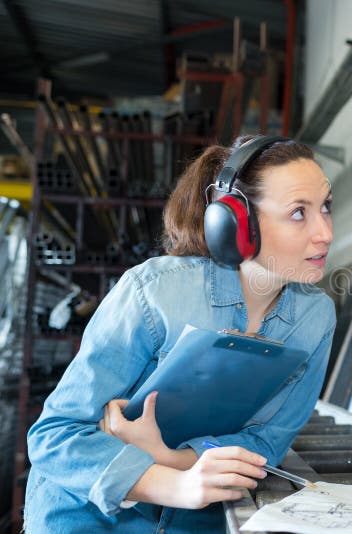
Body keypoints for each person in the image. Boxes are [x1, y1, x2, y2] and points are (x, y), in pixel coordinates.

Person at [25, 136, 336, 532]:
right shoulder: (155, 292)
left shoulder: (315, 317)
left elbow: (265, 444)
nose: (324, 232)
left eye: (325, 206)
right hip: (87, 515)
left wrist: (167, 456)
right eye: (298, 213)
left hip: (193, 520)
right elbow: (55, 437)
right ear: (237, 222)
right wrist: (176, 485)